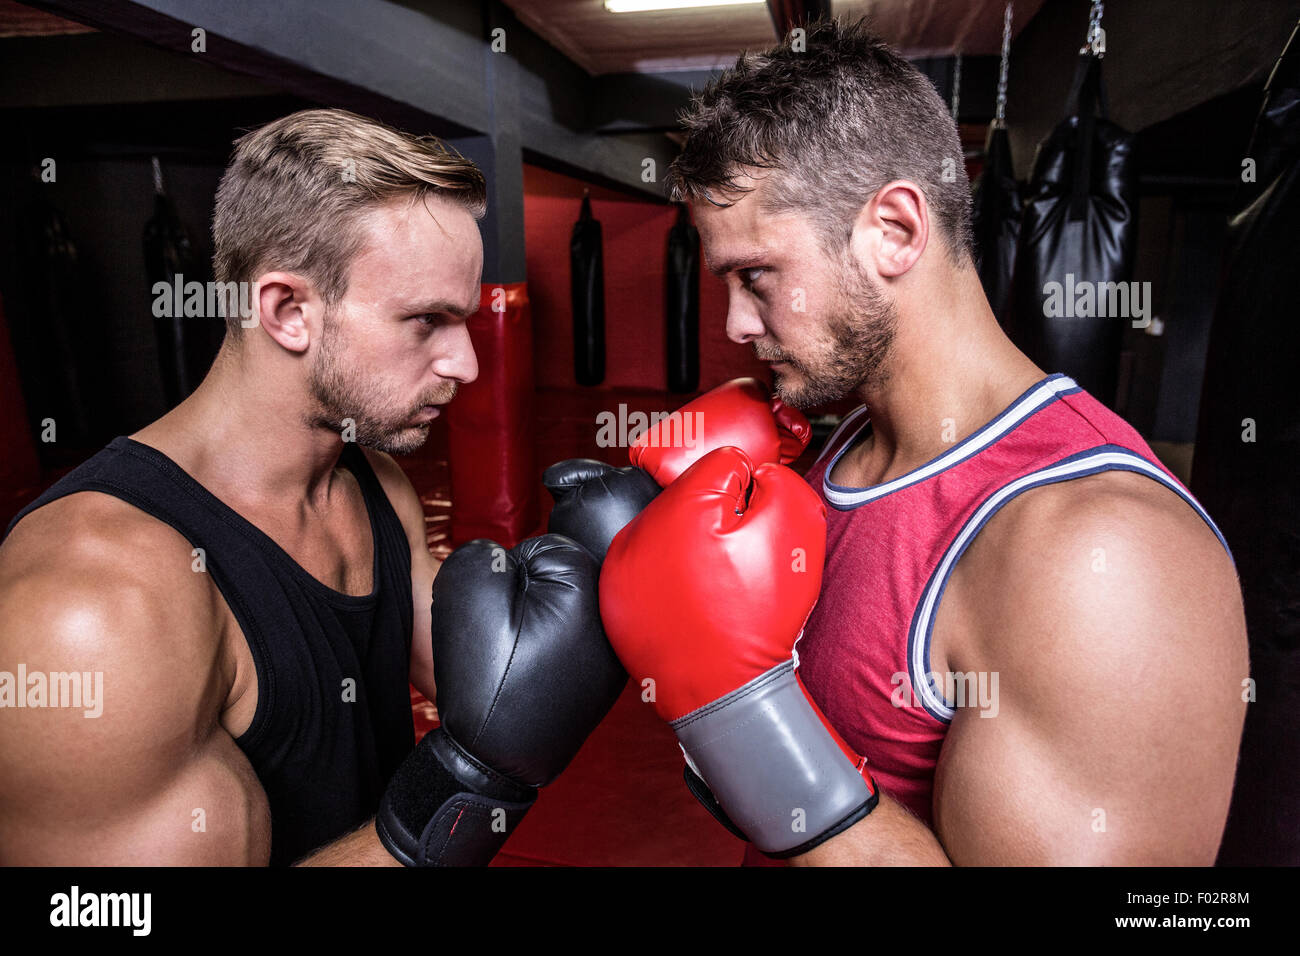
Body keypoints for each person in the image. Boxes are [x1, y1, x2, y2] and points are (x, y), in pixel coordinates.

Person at [601, 18, 1248, 866]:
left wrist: (734, 706)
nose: (734, 325)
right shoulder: (829, 458)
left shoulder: (1101, 553)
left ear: (897, 231)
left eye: (757, 276)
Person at [0, 109, 625, 867]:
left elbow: (494, 683)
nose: (466, 363)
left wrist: (618, 570)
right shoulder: (95, 612)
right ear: (288, 311)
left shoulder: (373, 482)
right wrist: (464, 789)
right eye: (426, 320)